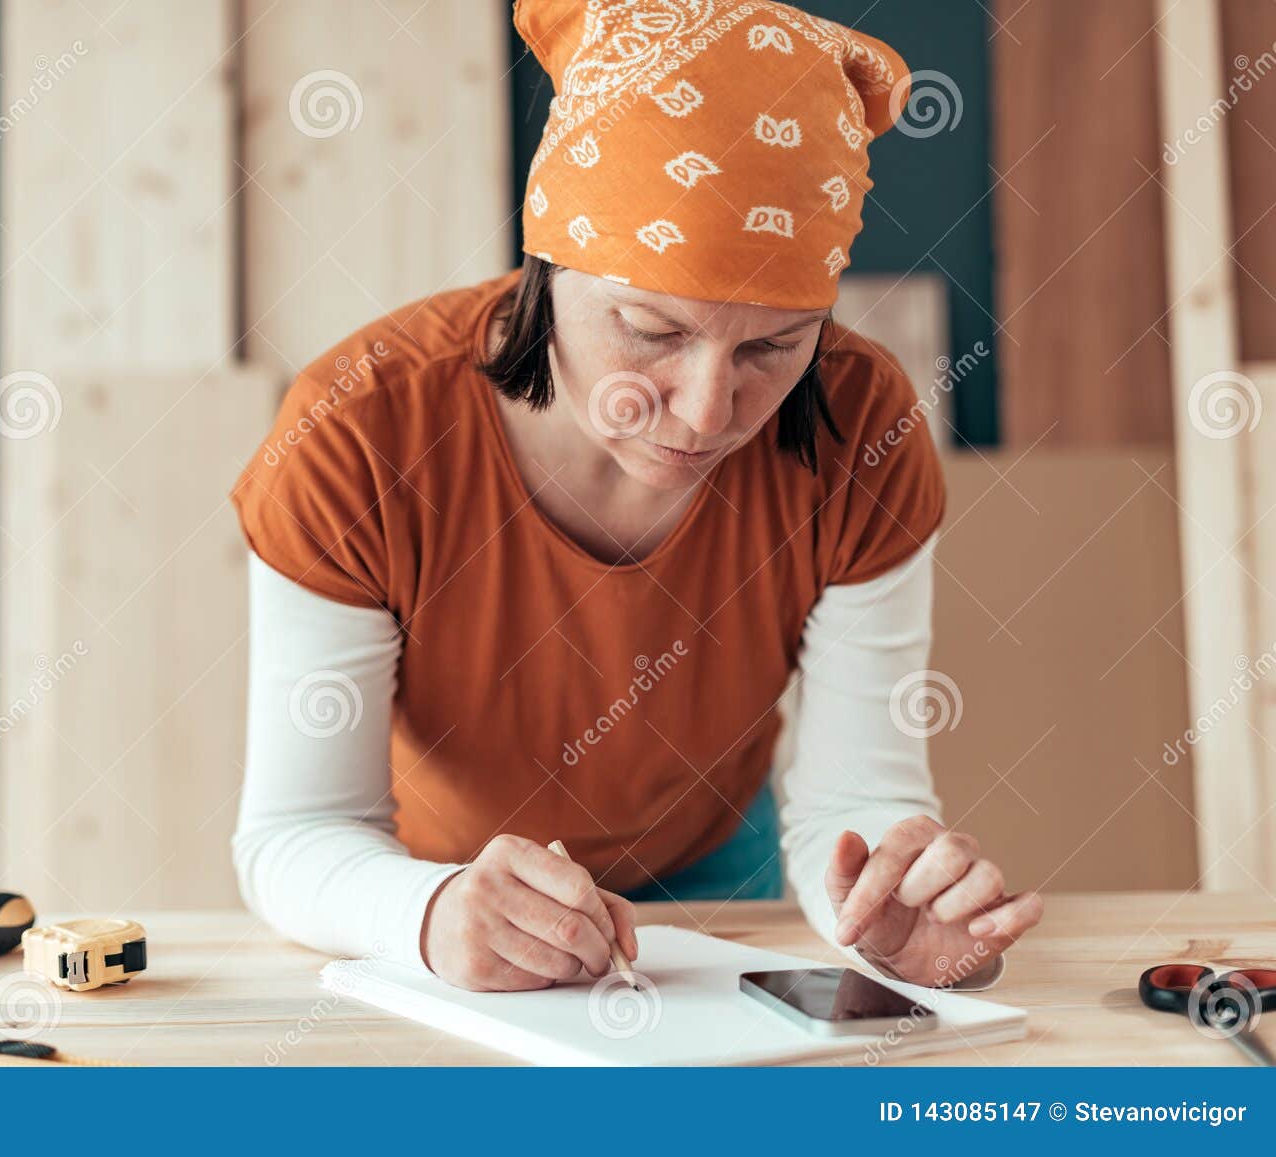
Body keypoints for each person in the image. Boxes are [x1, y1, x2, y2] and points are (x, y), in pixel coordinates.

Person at [231, 0, 1042, 994]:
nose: (707, 411)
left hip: (717, 874)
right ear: (548, 262)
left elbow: (853, 793)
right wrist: (429, 911)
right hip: (424, 881)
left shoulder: (860, 423)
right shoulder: (356, 432)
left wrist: (875, 909)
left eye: (770, 347)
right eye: (650, 330)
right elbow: (298, 832)